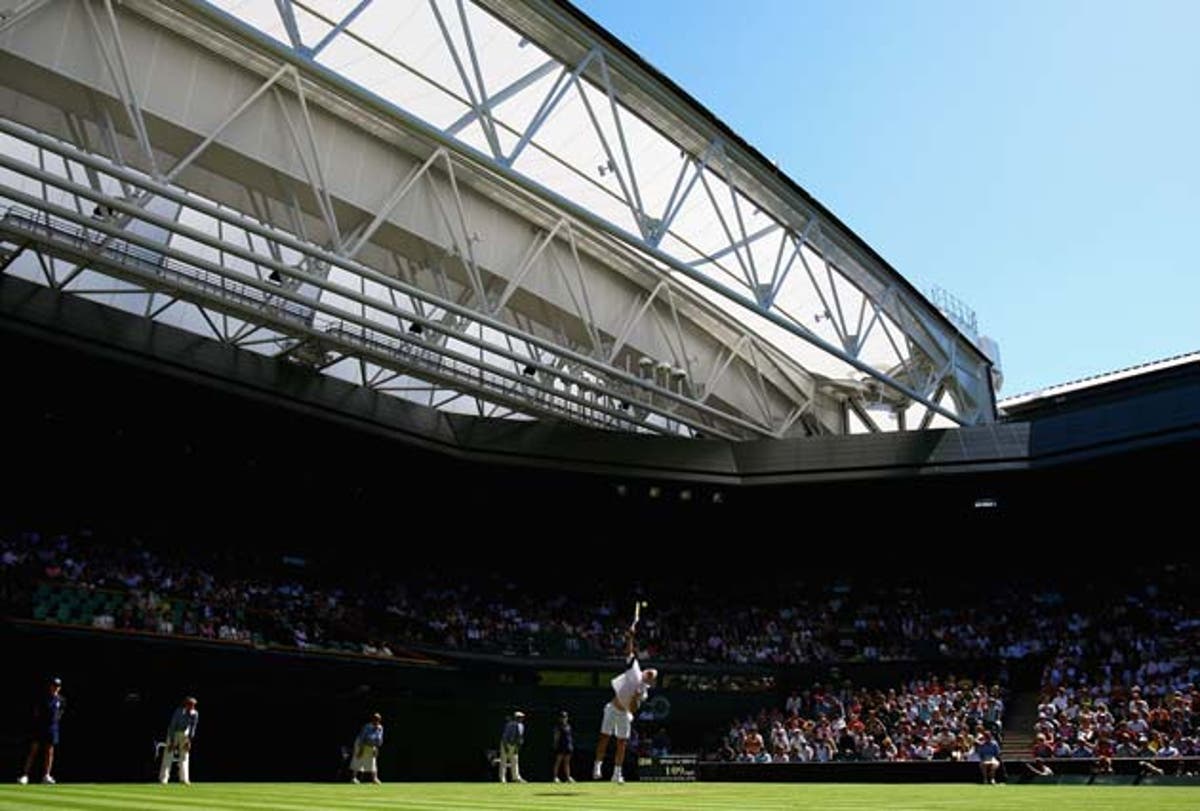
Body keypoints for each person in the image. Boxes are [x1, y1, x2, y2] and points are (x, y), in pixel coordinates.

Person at [593, 625, 658, 783]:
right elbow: (629, 652)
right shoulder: (635, 669)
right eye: (649, 671)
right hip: (612, 708)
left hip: (625, 714)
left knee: (622, 743)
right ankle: (597, 766)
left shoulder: (644, 692)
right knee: (604, 738)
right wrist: (630, 637)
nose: (649, 673)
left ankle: (617, 774)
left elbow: (634, 710)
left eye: (652, 675)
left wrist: (636, 697)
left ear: (650, 681)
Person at [17, 677, 65, 785]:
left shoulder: (61, 700)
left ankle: (46, 776)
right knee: (33, 751)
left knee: (49, 752)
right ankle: (25, 775)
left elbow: (60, 713)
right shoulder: (43, 698)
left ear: (59, 688)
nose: (55, 688)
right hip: (40, 728)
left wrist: (55, 722)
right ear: (50, 686)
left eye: (57, 686)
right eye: (54, 685)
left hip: (53, 729)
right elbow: (36, 713)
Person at [158, 696, 199, 785]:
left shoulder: (195, 713)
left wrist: (189, 741)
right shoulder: (179, 711)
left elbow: (193, 728)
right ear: (186, 705)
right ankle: (163, 779)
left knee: (184, 756)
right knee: (168, 755)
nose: (193, 707)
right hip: (174, 733)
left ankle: (184, 779)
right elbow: (172, 726)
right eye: (191, 705)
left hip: (185, 735)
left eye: (194, 705)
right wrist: (172, 742)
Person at [350, 713, 384, 784]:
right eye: (375, 719)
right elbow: (362, 738)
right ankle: (353, 778)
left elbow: (379, 740)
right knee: (358, 759)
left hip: (371, 746)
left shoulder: (380, 728)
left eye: (378, 720)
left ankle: (375, 778)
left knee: (373, 760)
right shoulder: (367, 727)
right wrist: (361, 750)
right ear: (372, 720)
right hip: (361, 744)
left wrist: (376, 749)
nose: (376, 721)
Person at [499, 710, 526, 783]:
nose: (521, 718)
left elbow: (520, 738)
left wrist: (517, 748)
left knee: (515, 760)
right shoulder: (509, 725)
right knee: (503, 761)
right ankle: (502, 778)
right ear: (516, 717)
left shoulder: (521, 726)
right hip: (506, 744)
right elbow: (504, 737)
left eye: (522, 717)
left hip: (514, 745)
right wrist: (505, 747)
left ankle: (516, 777)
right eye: (519, 717)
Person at [552, 711, 574, 783]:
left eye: (565, 717)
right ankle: (555, 777)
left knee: (567, 762)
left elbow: (570, 737)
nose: (564, 718)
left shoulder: (568, 726)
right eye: (563, 717)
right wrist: (556, 745)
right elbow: (556, 737)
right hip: (561, 746)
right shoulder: (558, 727)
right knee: (558, 762)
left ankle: (568, 777)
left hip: (568, 746)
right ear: (560, 718)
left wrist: (570, 745)